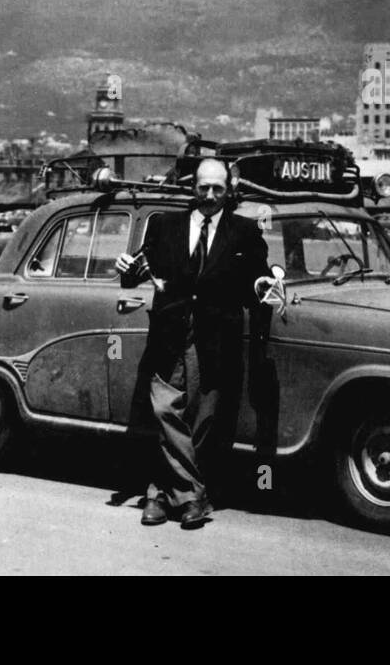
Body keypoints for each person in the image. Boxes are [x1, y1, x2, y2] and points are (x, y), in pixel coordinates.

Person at [114, 156, 273, 530]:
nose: (211, 195)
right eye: (204, 187)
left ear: (228, 190)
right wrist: (126, 270)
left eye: (218, 188)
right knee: (166, 411)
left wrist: (267, 284)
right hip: (169, 336)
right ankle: (189, 497)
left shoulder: (245, 232)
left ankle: (160, 495)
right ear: (193, 187)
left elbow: (258, 281)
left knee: (201, 421)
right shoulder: (165, 226)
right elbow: (137, 272)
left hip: (215, 340)